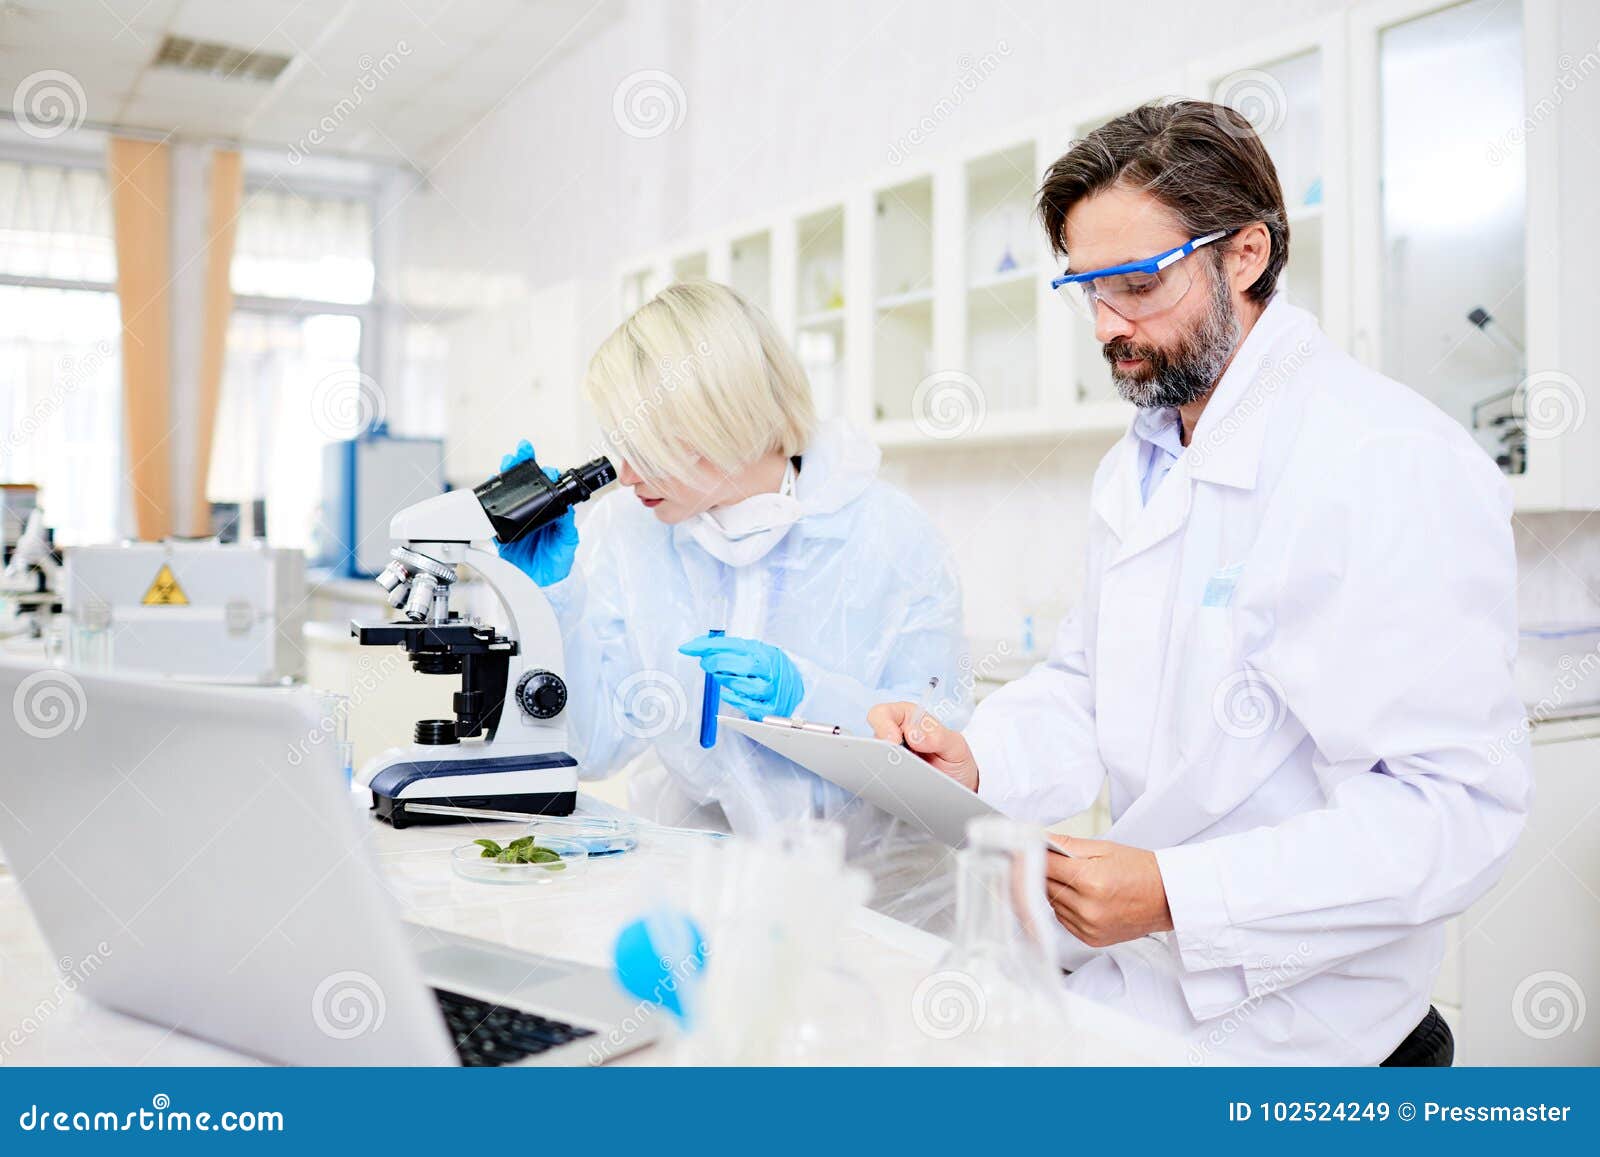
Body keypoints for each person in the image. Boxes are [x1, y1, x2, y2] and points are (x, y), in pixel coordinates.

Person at [870, 101, 1531, 1062]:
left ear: (1246, 253)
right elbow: (1090, 686)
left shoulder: (1387, 458)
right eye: (1086, 289)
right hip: (1139, 993)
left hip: (1314, 1036)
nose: (1109, 324)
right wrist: (974, 758)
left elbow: (1454, 813)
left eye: (1138, 283)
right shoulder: (1140, 460)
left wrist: (1180, 895)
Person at [501, 280, 968, 925]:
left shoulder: (888, 535)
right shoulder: (630, 534)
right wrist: (550, 604)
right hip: (699, 895)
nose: (626, 475)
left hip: (876, 910)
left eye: (645, 448)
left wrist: (812, 698)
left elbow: (940, 767)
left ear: (718, 421)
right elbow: (594, 747)